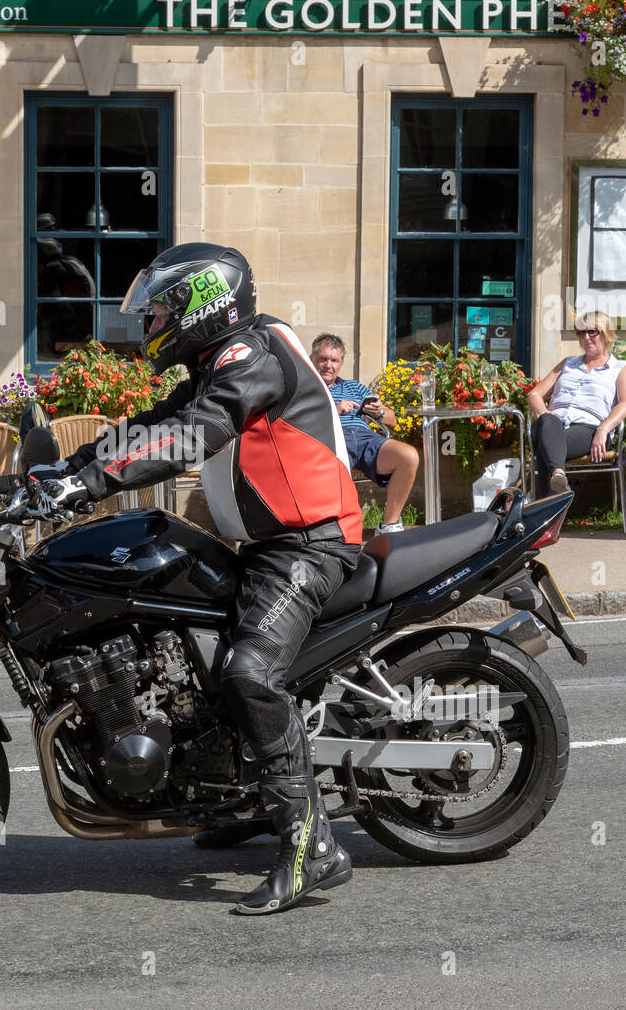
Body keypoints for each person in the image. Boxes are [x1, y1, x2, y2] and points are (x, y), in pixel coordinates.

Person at [28, 242, 360, 915]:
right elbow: (157, 424)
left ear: (201, 306)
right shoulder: (223, 358)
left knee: (247, 673)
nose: (150, 324)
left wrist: (90, 485)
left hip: (309, 545)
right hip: (270, 543)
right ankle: (240, 798)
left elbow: (193, 434)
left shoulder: (252, 358)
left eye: (160, 311)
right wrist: (68, 468)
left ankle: (311, 849)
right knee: (193, 651)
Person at [311, 332, 420, 534]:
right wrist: (335, 410)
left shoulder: (354, 387)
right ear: (312, 360)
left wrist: (378, 411)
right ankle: (333, 532)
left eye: (334, 360)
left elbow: (393, 420)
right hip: (330, 437)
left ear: (341, 363)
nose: (328, 365)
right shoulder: (306, 388)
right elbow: (299, 421)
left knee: (408, 456)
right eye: (323, 359)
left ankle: (389, 525)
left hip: (365, 438)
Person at [528, 311, 626, 493]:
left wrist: (603, 429)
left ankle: (549, 508)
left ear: (606, 334)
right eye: (581, 333)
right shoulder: (568, 363)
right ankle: (558, 474)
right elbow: (534, 394)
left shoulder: (619, 368)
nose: (586, 338)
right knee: (547, 422)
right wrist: (542, 413)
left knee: (547, 448)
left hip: (589, 430)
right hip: (553, 424)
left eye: (592, 332)